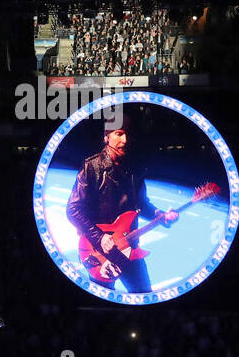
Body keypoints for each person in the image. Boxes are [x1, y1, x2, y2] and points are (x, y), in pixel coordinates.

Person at [66, 117, 177, 293]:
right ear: (106, 137)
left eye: (127, 135)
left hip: (130, 248)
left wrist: (160, 215)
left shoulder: (135, 168)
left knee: (144, 297)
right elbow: (73, 210)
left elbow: (141, 204)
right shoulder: (92, 167)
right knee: (101, 303)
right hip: (99, 251)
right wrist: (100, 237)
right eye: (119, 134)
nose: (124, 140)